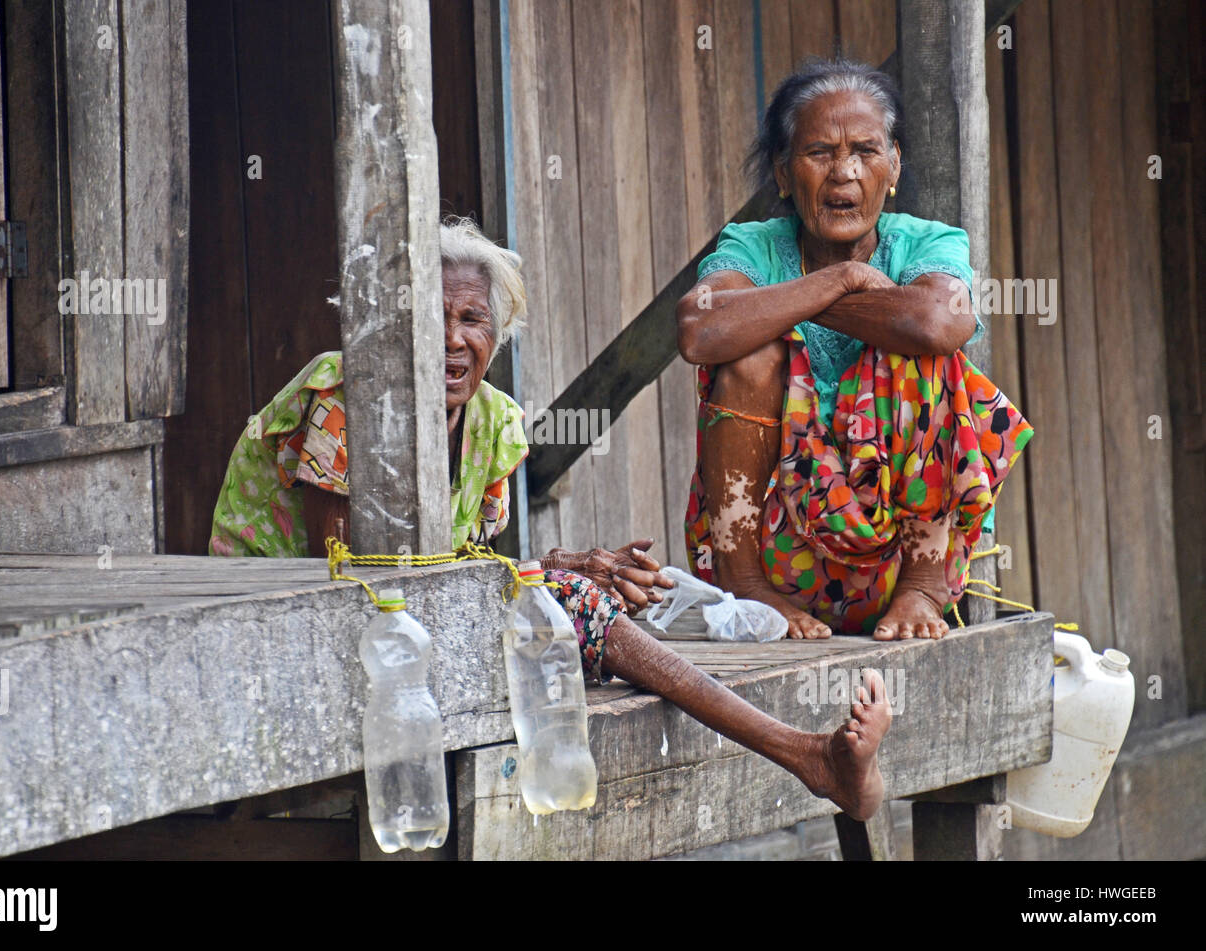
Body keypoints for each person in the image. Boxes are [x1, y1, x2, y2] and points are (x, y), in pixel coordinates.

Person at [210, 216, 892, 820]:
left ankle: (810, 755)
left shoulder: (494, 425)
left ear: (497, 334)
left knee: (571, 603)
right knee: (570, 601)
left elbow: (469, 568)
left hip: (406, 629)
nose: (451, 339)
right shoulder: (345, 397)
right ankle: (804, 753)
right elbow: (353, 573)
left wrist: (550, 571)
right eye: (430, 318)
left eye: (471, 320)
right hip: (284, 626)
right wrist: (553, 574)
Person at [676, 57, 1033, 643]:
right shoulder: (753, 245)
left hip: (901, 551)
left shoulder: (927, 241)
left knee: (921, 353)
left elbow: (940, 323)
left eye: (865, 152)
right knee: (745, 357)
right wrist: (840, 281)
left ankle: (923, 585)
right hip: (777, 551)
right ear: (784, 174)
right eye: (819, 152)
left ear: (893, 168)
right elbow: (699, 329)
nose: (844, 172)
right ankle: (744, 584)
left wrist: (782, 304)